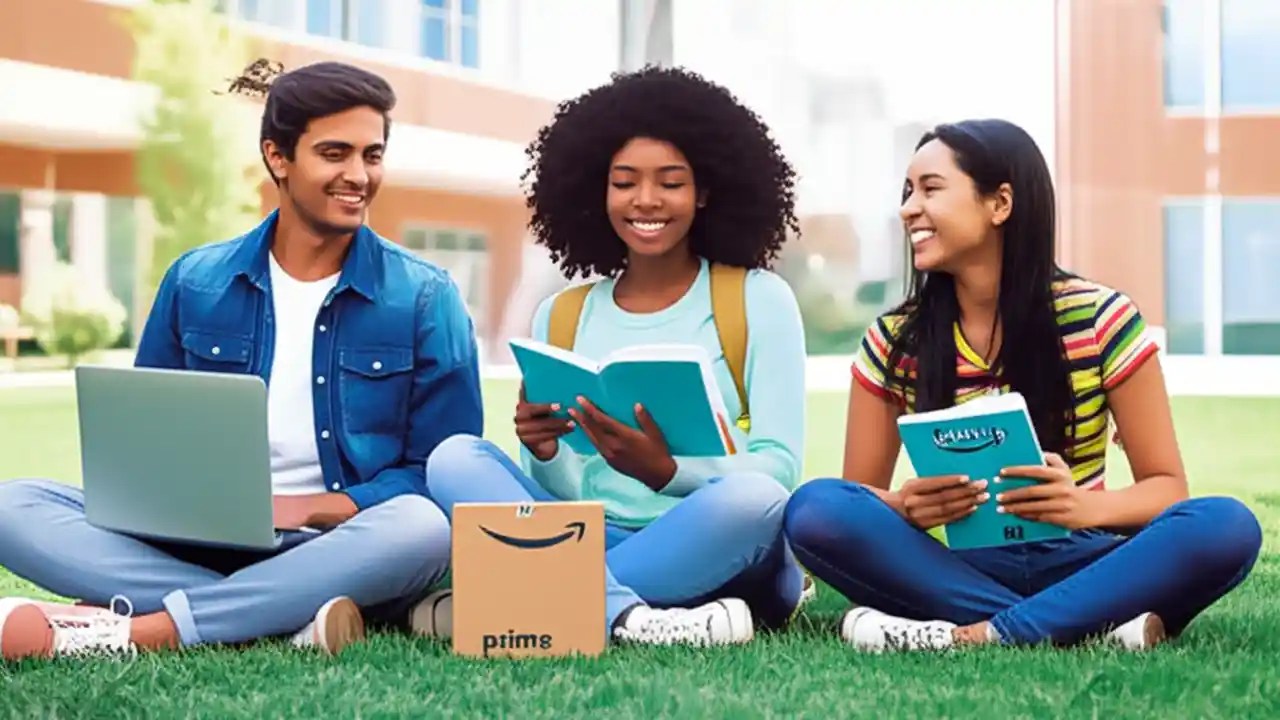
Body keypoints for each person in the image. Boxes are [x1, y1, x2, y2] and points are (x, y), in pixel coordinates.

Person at [0, 60, 483, 660]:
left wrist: (309, 508)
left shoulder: (426, 297)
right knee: (11, 504)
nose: (358, 175)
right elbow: (147, 444)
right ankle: (288, 615)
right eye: (334, 154)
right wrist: (185, 506)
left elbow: (439, 475)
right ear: (278, 157)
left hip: (339, 543)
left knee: (423, 529)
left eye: (372, 155)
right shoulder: (196, 281)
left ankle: (149, 629)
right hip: (196, 542)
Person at [783, 119, 1262, 652]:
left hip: (1083, 557)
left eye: (931, 189)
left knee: (1225, 524)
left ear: (1000, 203)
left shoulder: (1100, 319)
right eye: (907, 192)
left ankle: (986, 631)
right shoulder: (895, 340)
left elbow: (1167, 488)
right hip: (957, 565)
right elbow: (855, 500)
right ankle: (1083, 624)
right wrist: (904, 505)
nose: (908, 209)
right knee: (815, 507)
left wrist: (1081, 507)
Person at [418, 65, 808, 647]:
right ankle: (623, 613)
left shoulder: (757, 299)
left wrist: (667, 473)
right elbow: (564, 495)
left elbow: (779, 467)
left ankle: (518, 601)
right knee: (453, 457)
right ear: (596, 191)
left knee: (758, 498)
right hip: (592, 536)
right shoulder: (562, 314)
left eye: (670, 183)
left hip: (708, 535)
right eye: (624, 182)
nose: (645, 200)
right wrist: (545, 450)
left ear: (704, 192)